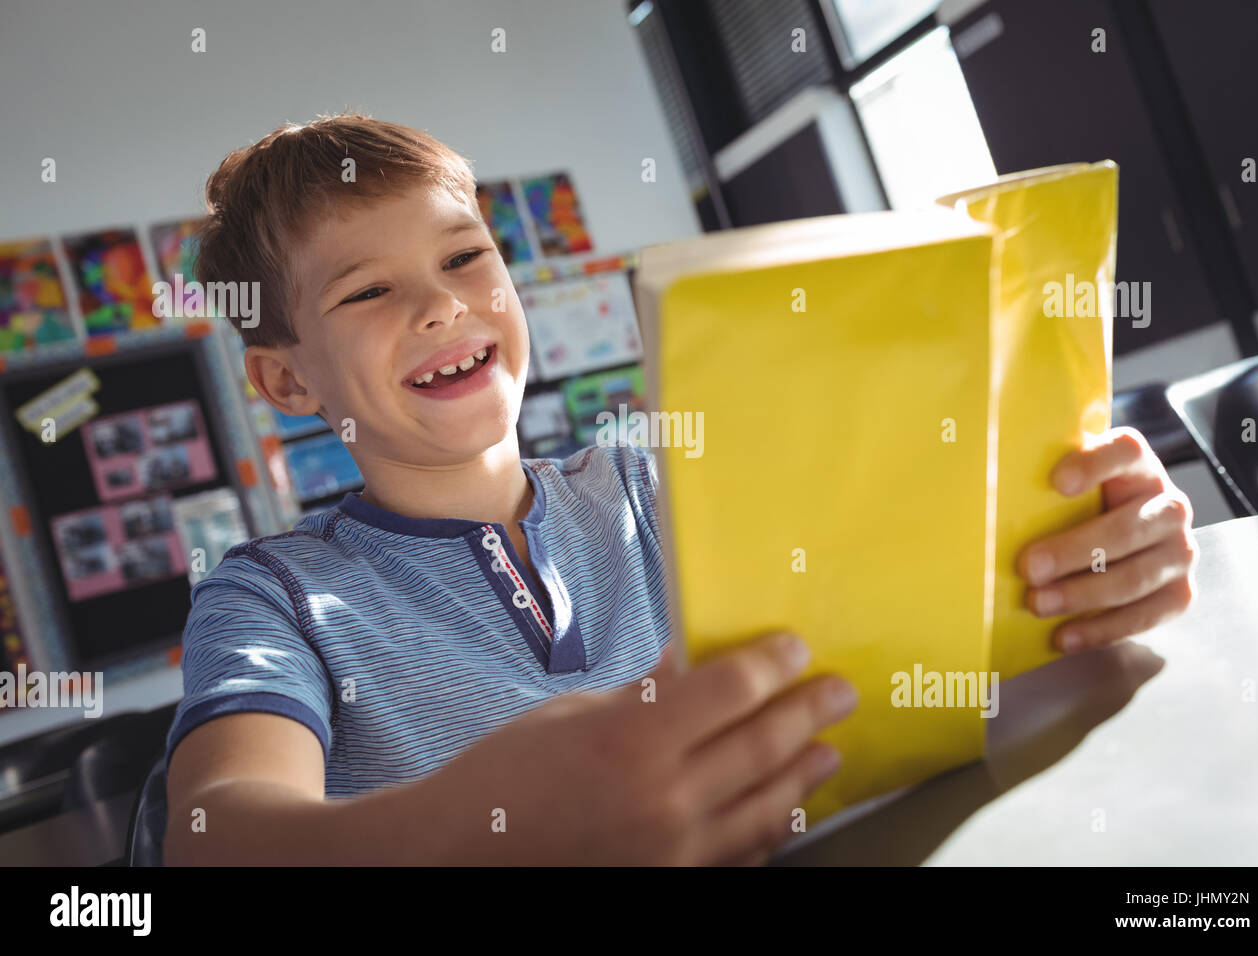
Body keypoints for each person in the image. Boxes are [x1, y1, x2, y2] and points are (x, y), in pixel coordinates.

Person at [163, 114, 1196, 866]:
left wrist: (1072, 547)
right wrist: (488, 828)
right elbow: (216, 832)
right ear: (288, 378)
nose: (441, 304)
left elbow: (919, 592)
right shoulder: (272, 595)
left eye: (466, 256)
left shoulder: (659, 481)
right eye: (370, 290)